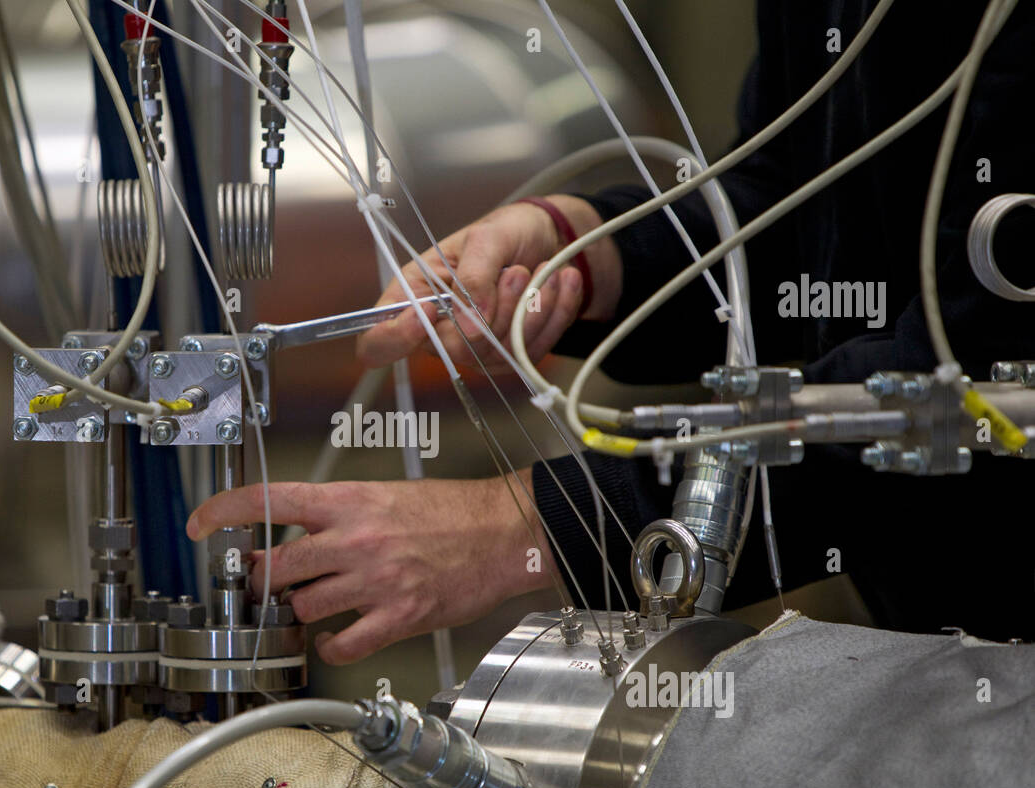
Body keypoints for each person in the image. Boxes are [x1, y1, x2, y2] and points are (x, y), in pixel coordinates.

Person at [188, 2, 1035, 664]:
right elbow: (799, 204)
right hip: (935, 637)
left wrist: (520, 527)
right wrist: (587, 251)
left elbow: (963, 396)